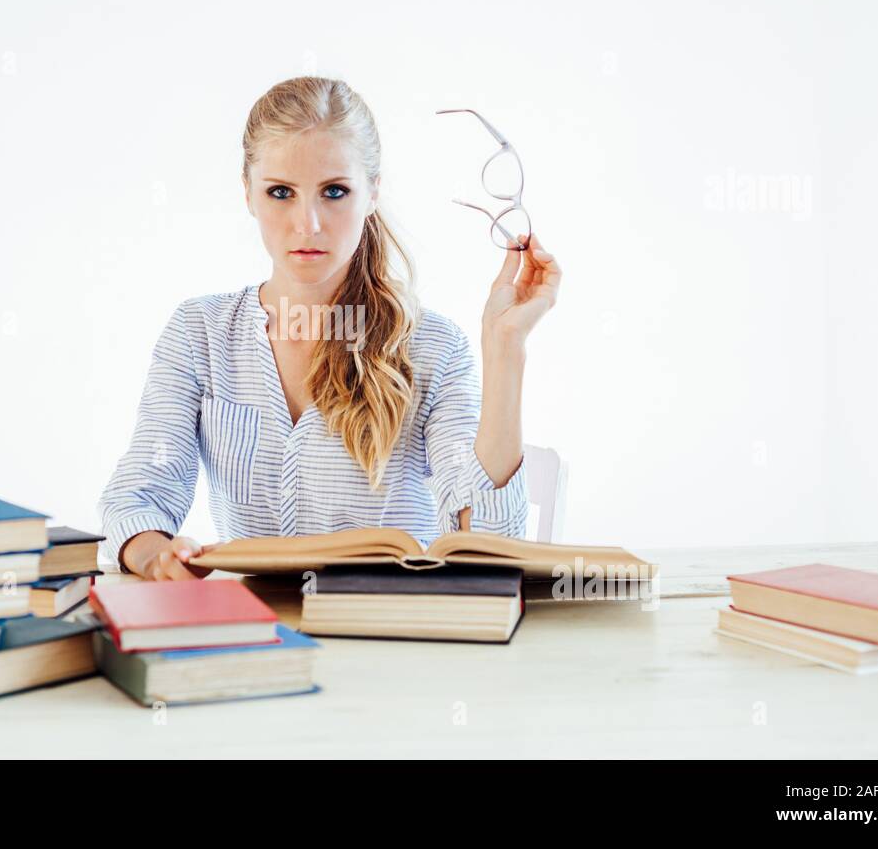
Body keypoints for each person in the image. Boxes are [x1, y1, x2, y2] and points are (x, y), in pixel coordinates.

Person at [98, 76, 561, 580]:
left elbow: (489, 541)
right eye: (280, 192)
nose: (308, 223)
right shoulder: (199, 334)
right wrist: (155, 555)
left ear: (372, 194)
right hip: (265, 636)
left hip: (393, 634)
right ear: (248, 194)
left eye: (334, 192)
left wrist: (505, 346)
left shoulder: (435, 348)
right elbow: (138, 497)